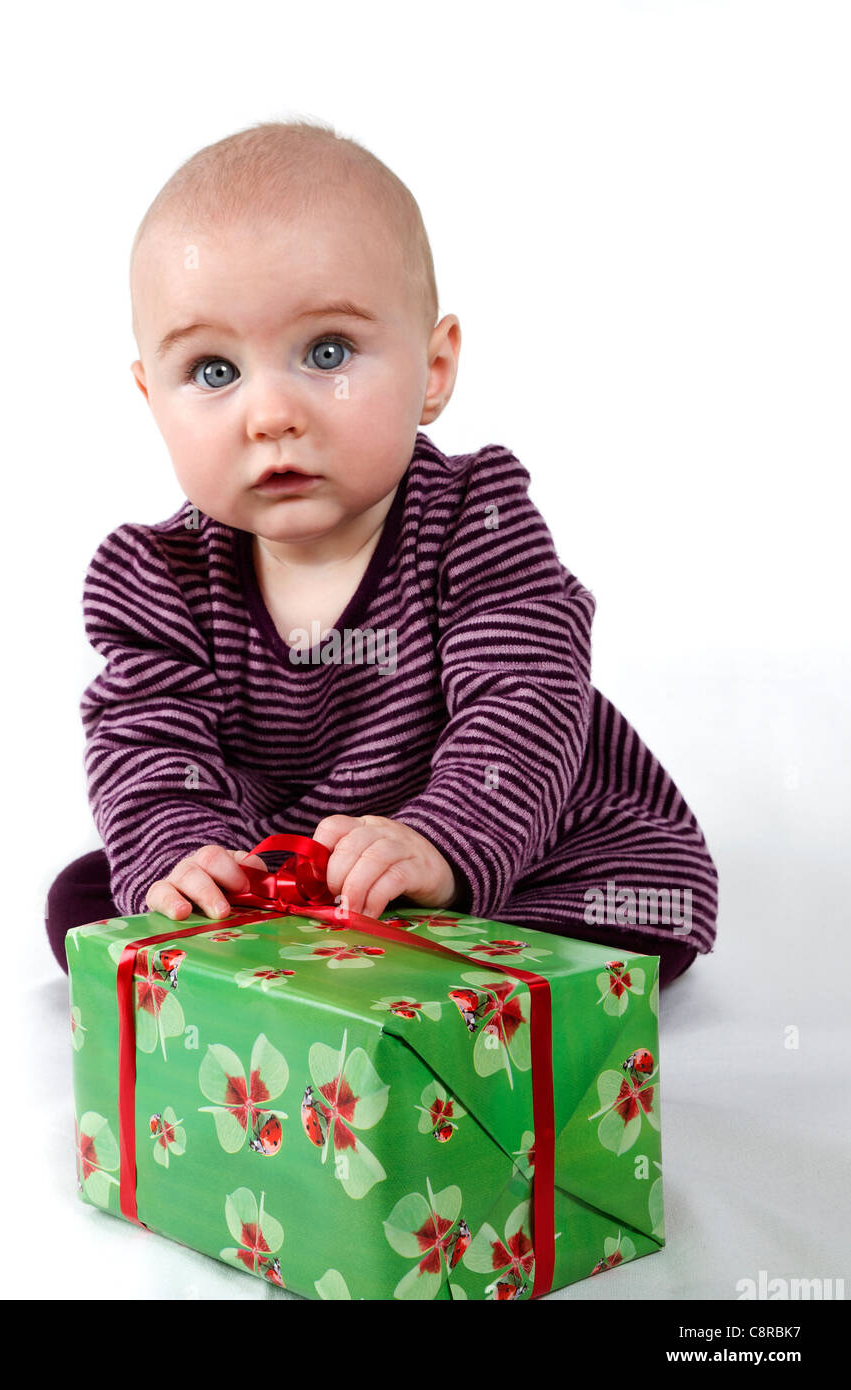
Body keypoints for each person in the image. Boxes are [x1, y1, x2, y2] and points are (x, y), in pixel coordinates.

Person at [46, 117, 718, 988]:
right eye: (214, 371)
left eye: (327, 353)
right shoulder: (155, 578)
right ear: (150, 394)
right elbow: (146, 745)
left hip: (517, 836)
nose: (270, 413)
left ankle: (422, 948)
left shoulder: (476, 519)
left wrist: (442, 843)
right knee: (90, 897)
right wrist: (186, 858)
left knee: (634, 903)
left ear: (433, 369)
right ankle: (322, 946)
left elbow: (523, 697)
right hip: (293, 859)